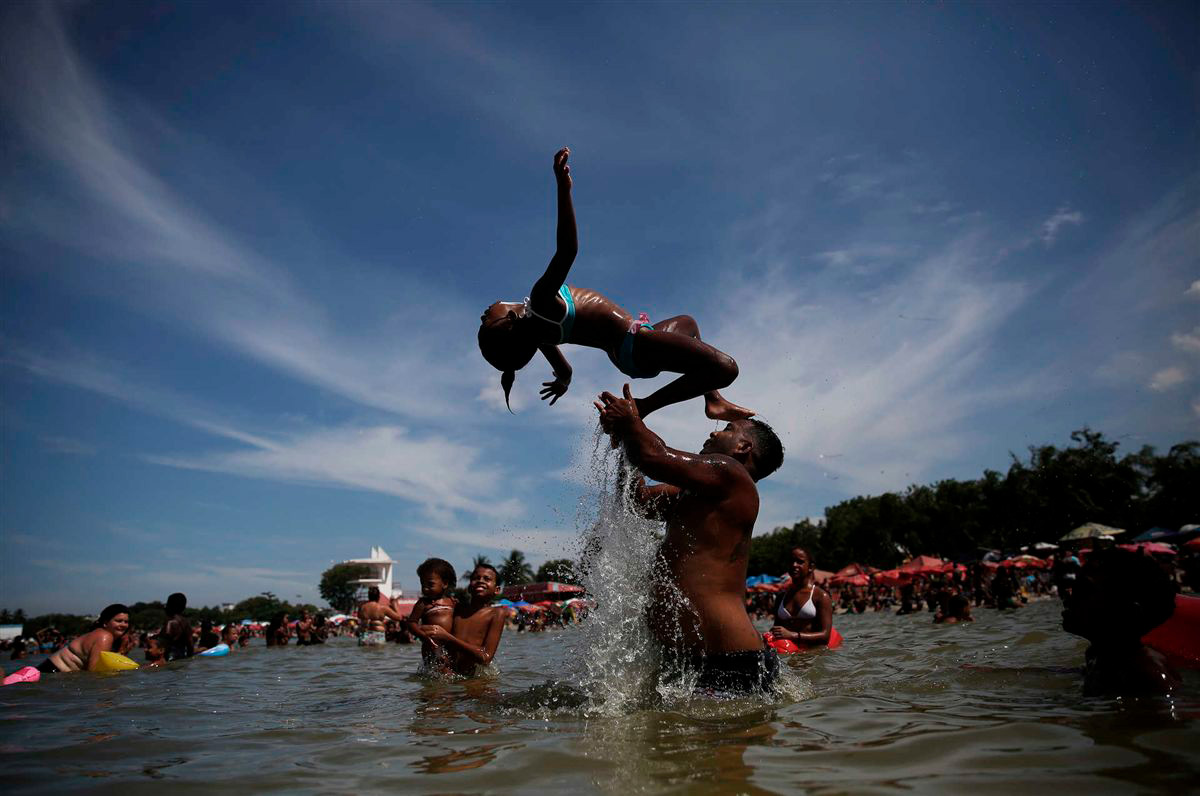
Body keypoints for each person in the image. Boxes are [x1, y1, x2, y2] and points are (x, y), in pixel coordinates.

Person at [478, 148, 752, 421]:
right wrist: (563, 190)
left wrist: (561, 384)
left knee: (688, 323)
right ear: (508, 321)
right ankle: (645, 406)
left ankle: (713, 400)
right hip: (636, 344)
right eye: (485, 320)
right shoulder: (539, 303)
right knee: (726, 368)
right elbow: (567, 251)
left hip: (632, 343)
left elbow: (566, 373)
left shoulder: (539, 334)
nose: (483, 313)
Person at [596, 384, 785, 694]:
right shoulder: (694, 493)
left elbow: (653, 455)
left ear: (743, 447)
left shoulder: (732, 475)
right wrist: (623, 444)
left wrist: (631, 421)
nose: (713, 433)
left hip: (730, 662)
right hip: (685, 663)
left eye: (727, 429)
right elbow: (637, 500)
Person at [1062, 547, 1180, 696]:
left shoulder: (1144, 678)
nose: (1068, 592)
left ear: (1126, 613)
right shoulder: (1099, 654)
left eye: (1083, 588)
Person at [418, 564, 505, 676]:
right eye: (475, 578)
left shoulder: (497, 613)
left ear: (497, 590)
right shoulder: (457, 608)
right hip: (448, 673)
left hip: (472, 678)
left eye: (487, 579)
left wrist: (448, 638)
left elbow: (486, 657)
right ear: (469, 587)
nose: (480, 581)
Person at [767, 547, 837, 648]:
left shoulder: (821, 596)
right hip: (789, 654)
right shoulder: (781, 597)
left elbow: (825, 636)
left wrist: (792, 635)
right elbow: (777, 629)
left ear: (811, 567)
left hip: (813, 657)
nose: (794, 565)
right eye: (791, 561)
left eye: (800, 562)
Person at [37, 604, 130, 673]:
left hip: (48, 671)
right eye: (118, 621)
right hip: (50, 672)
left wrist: (122, 650)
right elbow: (94, 673)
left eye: (126, 621)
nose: (123, 625)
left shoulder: (104, 636)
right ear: (105, 623)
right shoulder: (104, 637)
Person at [406, 558, 458, 670]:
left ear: (445, 583)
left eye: (430, 584)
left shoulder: (453, 603)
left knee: (450, 673)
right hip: (431, 646)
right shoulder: (423, 604)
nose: (425, 588)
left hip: (451, 646)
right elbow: (411, 623)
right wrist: (425, 638)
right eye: (422, 584)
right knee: (434, 674)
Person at [160, 592, 194, 661]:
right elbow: (190, 645)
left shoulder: (170, 622)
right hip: (181, 657)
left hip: (168, 658)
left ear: (169, 606)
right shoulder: (186, 622)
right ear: (184, 607)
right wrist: (190, 658)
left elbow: (165, 642)